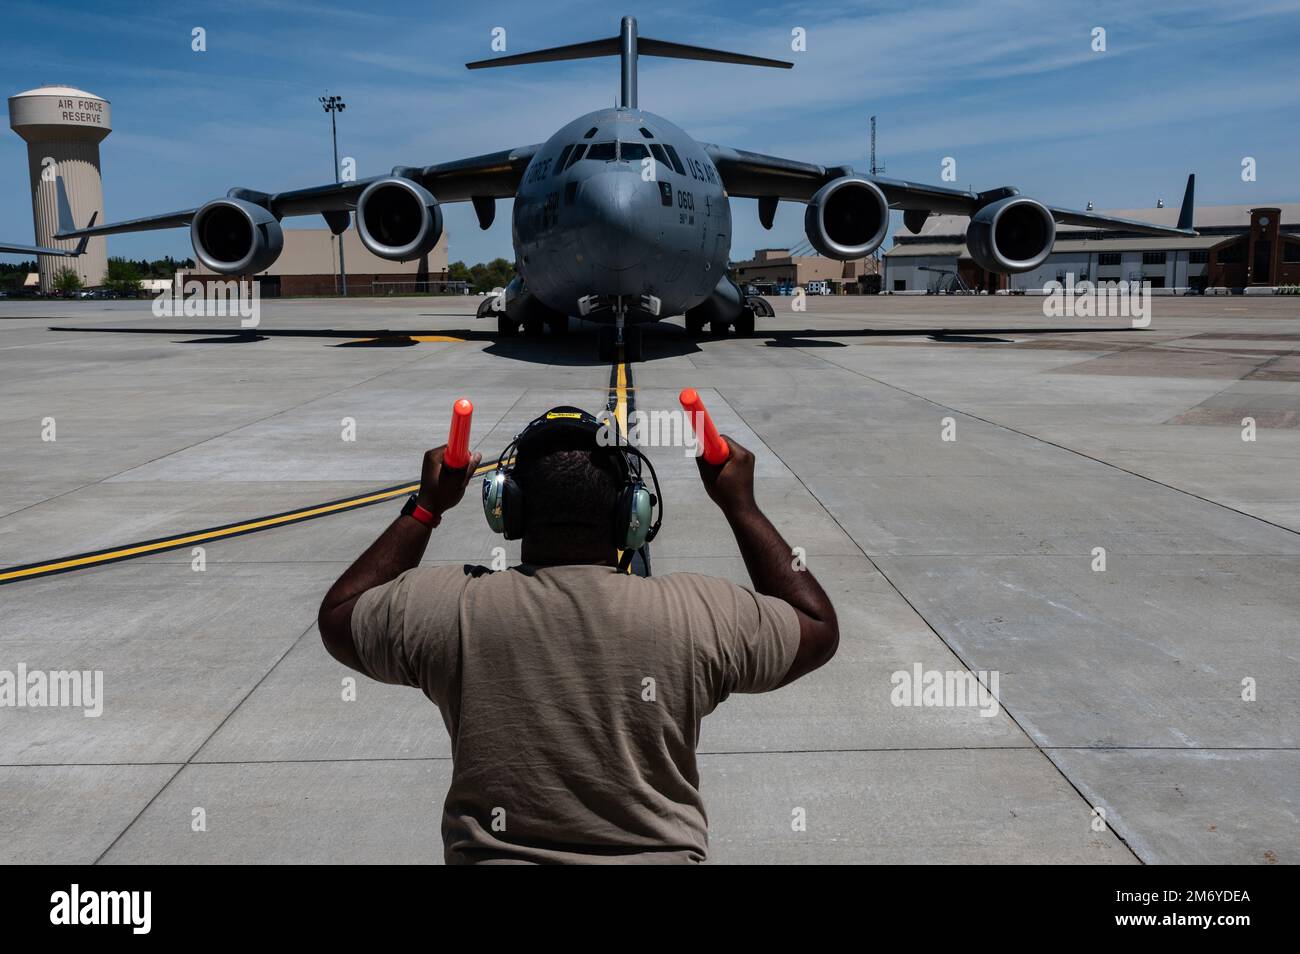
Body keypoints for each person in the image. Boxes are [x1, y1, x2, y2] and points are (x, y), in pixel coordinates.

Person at [317, 407, 838, 863]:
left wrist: (427, 508)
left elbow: (341, 614)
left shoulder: (452, 606)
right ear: (630, 517)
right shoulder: (695, 612)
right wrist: (740, 505)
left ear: (507, 510)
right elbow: (815, 625)